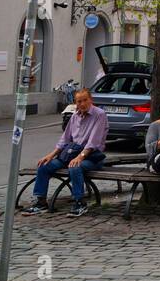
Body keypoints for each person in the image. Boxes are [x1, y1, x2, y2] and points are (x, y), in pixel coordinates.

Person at [23, 88, 108, 216]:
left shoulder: (99, 115)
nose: (82, 104)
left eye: (85, 100)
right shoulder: (75, 116)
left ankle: (79, 202)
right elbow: (65, 139)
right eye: (79, 101)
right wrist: (51, 155)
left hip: (91, 157)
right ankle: (41, 202)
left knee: (75, 167)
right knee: (44, 166)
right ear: (75, 103)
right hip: (72, 154)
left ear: (91, 100)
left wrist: (80, 157)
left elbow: (93, 142)